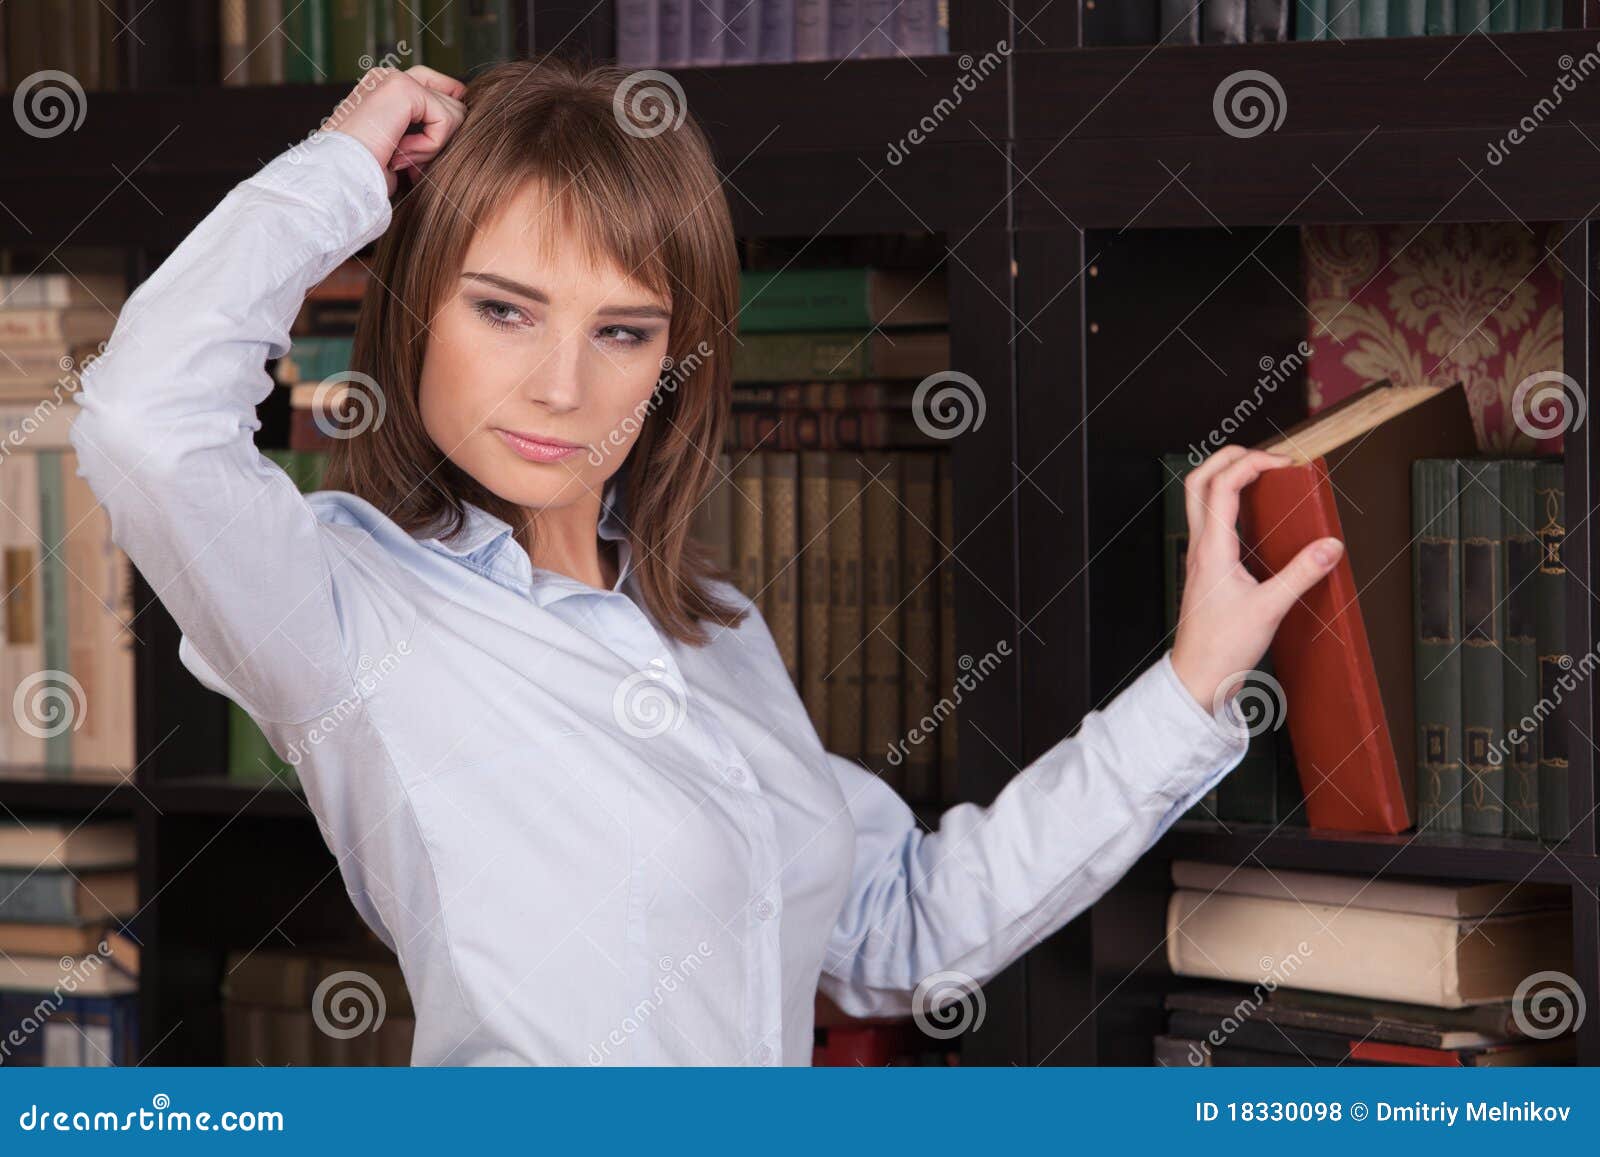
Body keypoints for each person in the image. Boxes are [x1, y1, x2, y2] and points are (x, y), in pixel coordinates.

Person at [69, 58, 1345, 1065]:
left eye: (622, 331)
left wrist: (1189, 685)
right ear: (411, 310)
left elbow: (903, 929)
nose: (561, 384)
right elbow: (141, 419)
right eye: (502, 308)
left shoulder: (715, 631)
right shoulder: (341, 610)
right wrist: (346, 162)